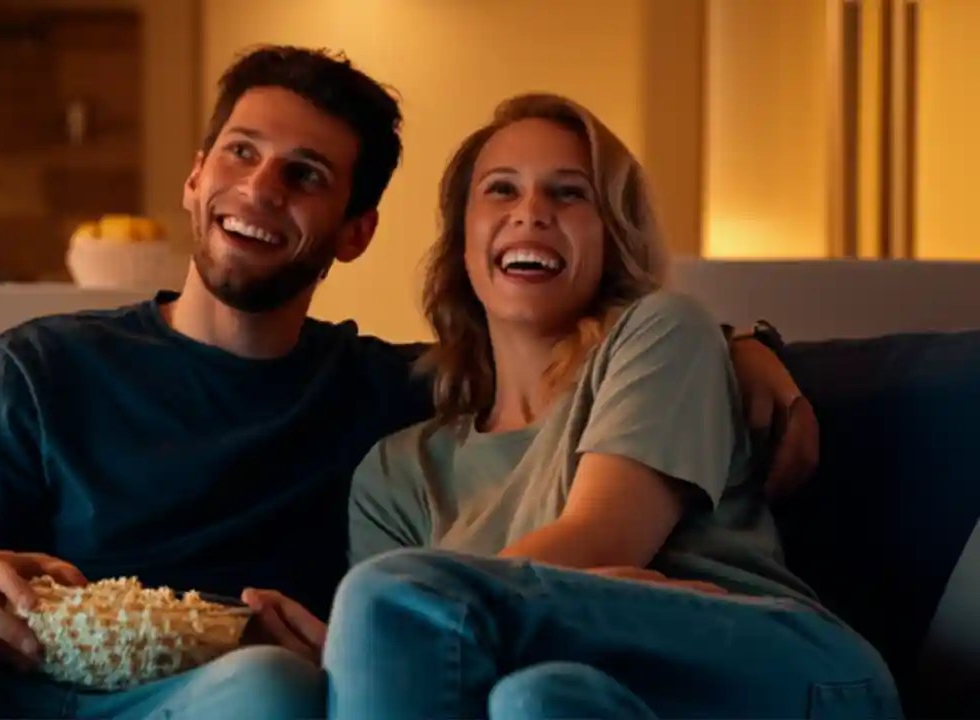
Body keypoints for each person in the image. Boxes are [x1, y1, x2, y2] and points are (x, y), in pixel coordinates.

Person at [0, 48, 815, 719]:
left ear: (354, 229)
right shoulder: (40, 365)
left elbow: (551, 351)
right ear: (193, 179)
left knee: (272, 694)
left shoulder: (389, 401)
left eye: (305, 174)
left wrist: (741, 343)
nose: (259, 187)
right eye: (238, 152)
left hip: (190, 700)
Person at [302, 94, 898, 719]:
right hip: (592, 688)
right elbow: (401, 666)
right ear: (461, 240)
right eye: (501, 191)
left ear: (612, 235)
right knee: (536, 700)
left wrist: (448, 605)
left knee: (390, 595)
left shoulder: (664, 332)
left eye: (569, 193)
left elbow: (602, 539)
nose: (531, 212)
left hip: (776, 665)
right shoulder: (397, 473)